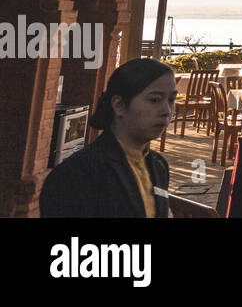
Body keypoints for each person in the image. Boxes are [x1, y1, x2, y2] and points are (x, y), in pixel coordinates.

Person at [40, 58, 176, 218]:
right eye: (154, 100)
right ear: (119, 105)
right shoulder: (77, 174)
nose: (167, 110)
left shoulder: (159, 166)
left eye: (171, 100)